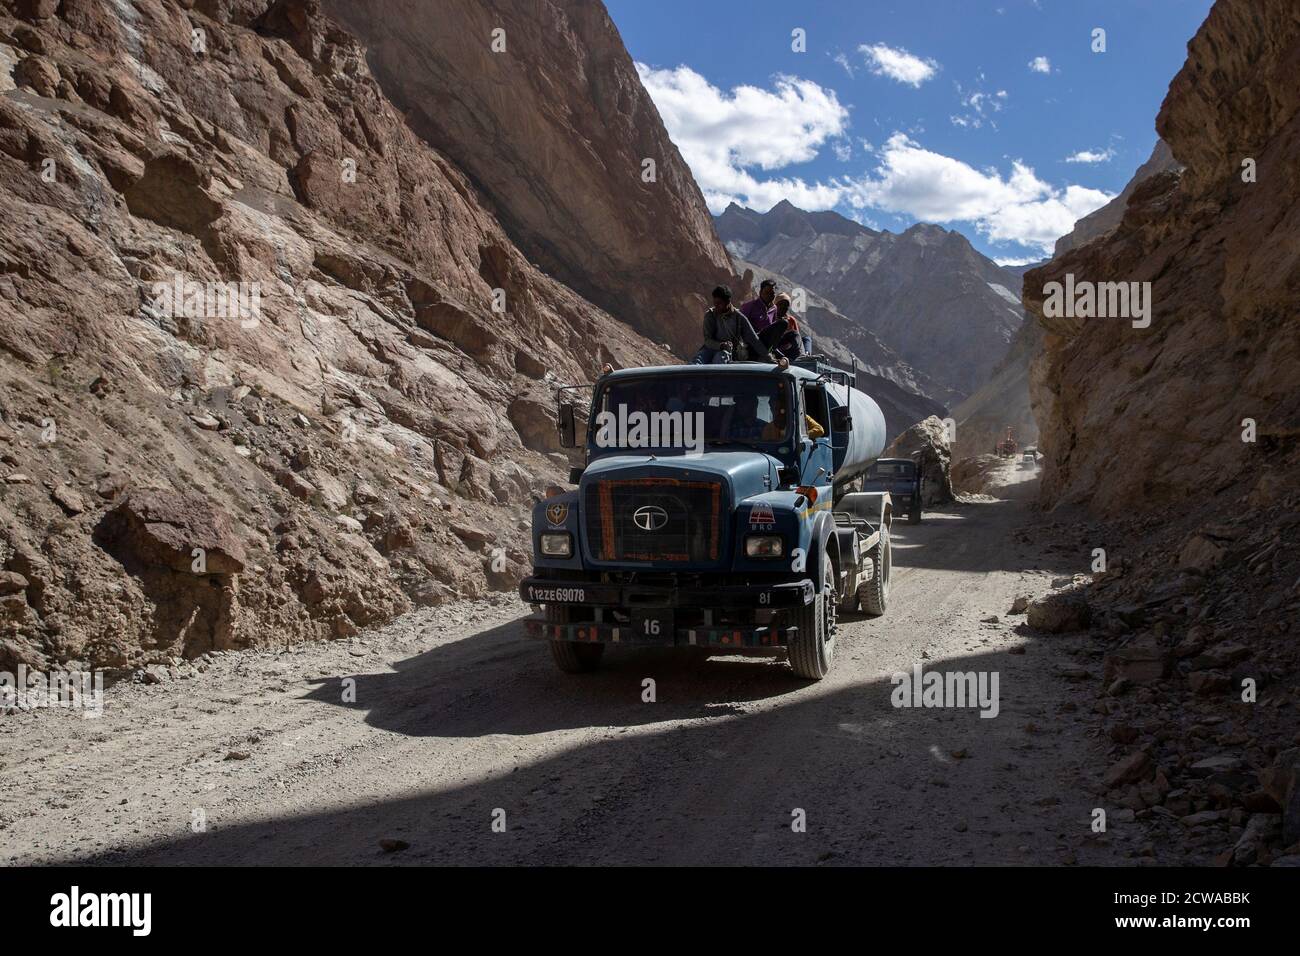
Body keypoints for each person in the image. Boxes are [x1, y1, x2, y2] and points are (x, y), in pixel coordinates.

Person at [694, 285, 777, 364]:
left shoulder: (739, 317)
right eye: (715, 303)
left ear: (728, 302)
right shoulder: (710, 315)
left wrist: (769, 357)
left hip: (727, 352)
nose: (716, 306)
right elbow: (708, 340)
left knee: (720, 359)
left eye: (719, 303)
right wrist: (721, 345)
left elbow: (754, 340)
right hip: (710, 349)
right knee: (698, 360)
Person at [759, 292, 810, 360]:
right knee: (794, 334)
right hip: (776, 347)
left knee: (806, 339)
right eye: (781, 304)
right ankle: (802, 357)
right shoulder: (769, 318)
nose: (783, 307)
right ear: (775, 305)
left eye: (786, 305)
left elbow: (797, 339)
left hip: (790, 346)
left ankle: (806, 355)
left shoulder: (791, 319)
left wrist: (790, 344)